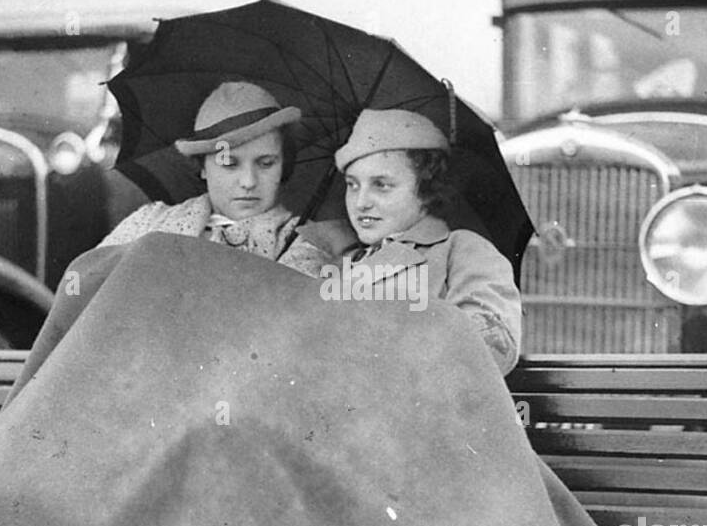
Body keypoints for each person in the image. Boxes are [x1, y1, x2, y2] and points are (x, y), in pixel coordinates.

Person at [334, 108, 522, 373]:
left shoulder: (460, 250)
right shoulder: (340, 258)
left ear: (425, 189)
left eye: (381, 185)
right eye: (353, 185)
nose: (361, 202)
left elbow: (492, 347)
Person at [97, 80, 328, 276]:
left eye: (266, 163)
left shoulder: (303, 242)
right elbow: (84, 284)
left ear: (283, 164)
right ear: (203, 166)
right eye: (229, 164)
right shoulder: (149, 222)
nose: (248, 182)